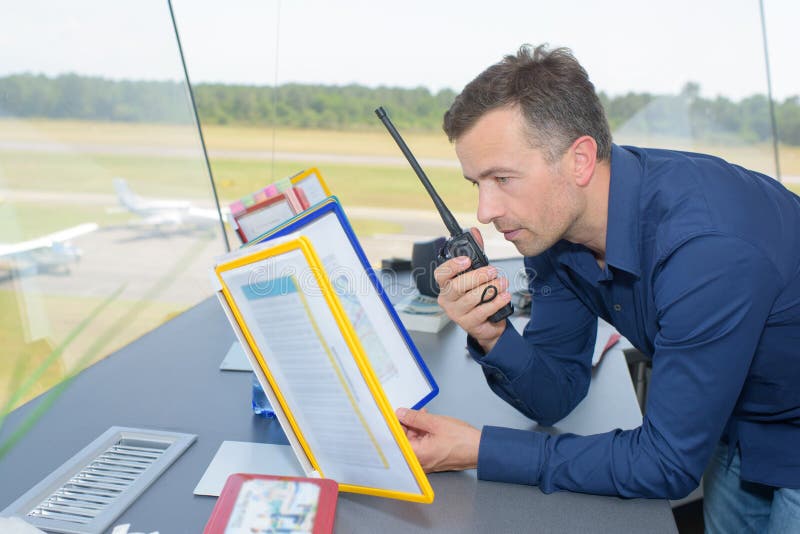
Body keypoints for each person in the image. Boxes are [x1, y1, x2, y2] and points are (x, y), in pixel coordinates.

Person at [395, 44, 800, 532]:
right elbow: (556, 395)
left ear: (580, 160)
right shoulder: (556, 232)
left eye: (503, 178)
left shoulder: (705, 250)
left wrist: (481, 449)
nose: (485, 211)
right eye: (476, 183)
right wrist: (493, 335)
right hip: (738, 420)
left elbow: (665, 463)